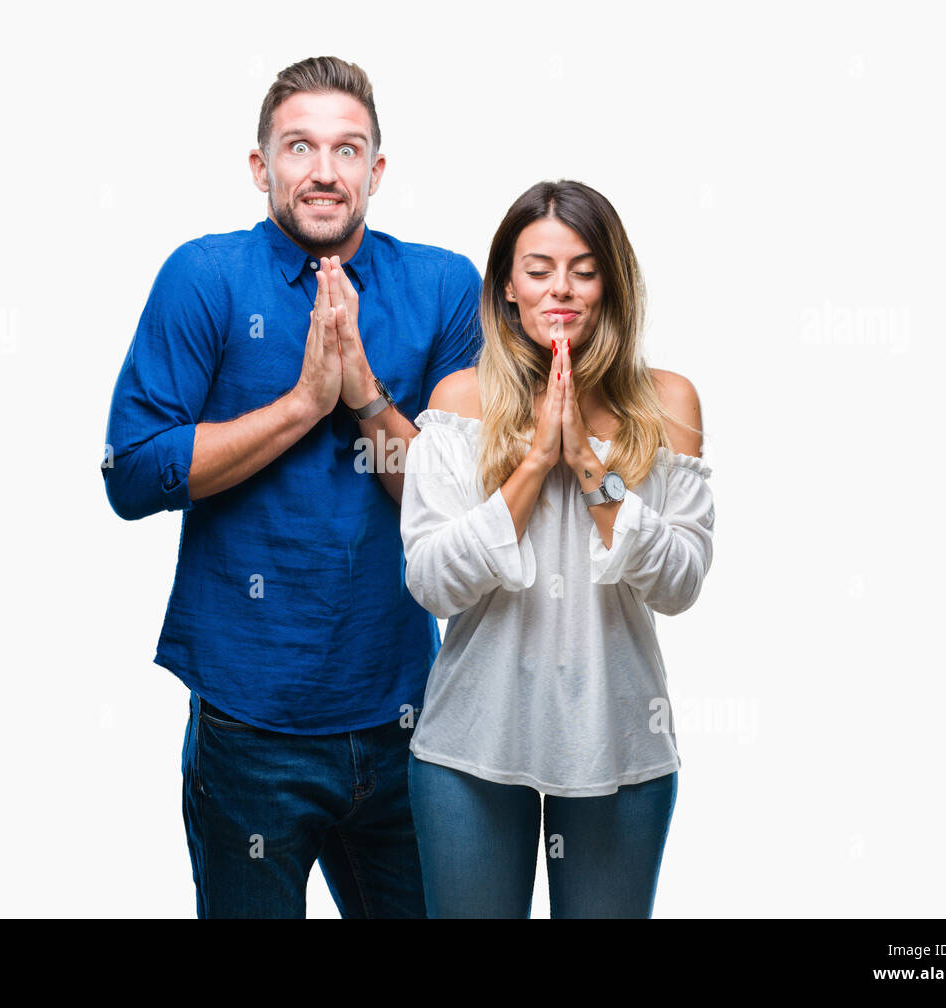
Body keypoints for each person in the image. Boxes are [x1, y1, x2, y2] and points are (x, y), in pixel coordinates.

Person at [100, 56, 484, 918]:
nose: (323, 170)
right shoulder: (204, 279)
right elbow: (131, 474)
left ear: (376, 172)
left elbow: (461, 507)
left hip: (407, 721)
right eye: (299, 146)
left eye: (347, 150)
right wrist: (307, 404)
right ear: (260, 166)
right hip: (249, 731)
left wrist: (367, 400)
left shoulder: (445, 287)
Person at [399, 179, 715, 918]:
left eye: (583, 268)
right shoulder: (458, 402)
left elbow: (682, 582)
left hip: (619, 743)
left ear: (611, 282)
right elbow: (432, 583)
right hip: (470, 748)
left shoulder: (669, 402)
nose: (560, 290)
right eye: (538, 269)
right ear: (507, 285)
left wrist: (591, 472)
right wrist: (536, 463)